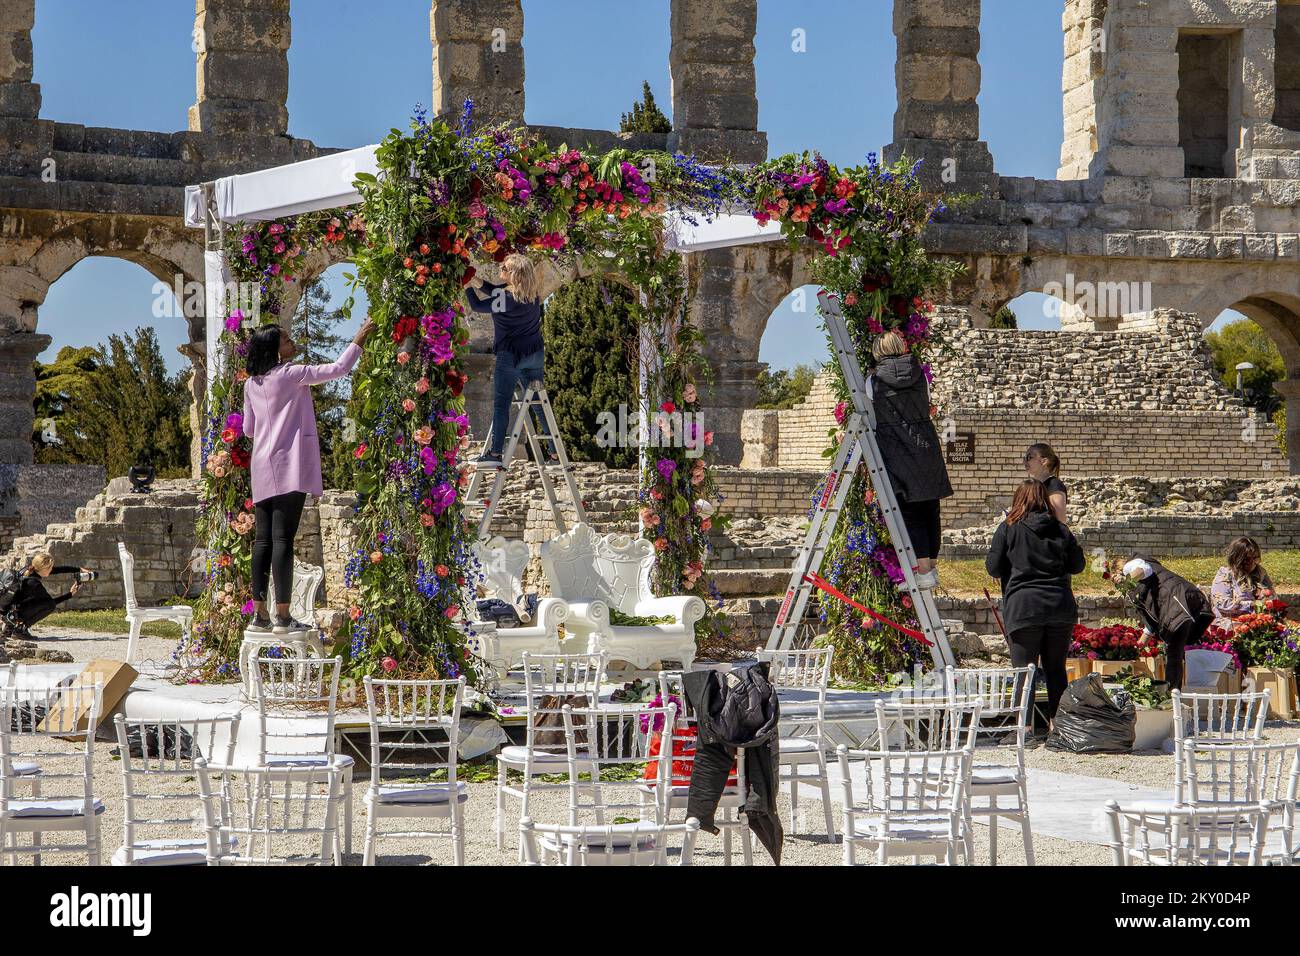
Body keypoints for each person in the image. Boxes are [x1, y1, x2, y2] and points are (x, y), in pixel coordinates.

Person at [242, 318, 375, 634]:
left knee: (262, 540)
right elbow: (338, 369)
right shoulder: (291, 374)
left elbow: (248, 429)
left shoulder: (251, 384)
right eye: (286, 340)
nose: (292, 342)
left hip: (262, 466)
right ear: (276, 350)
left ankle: (259, 614)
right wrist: (359, 337)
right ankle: (284, 616)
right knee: (283, 539)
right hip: (289, 466)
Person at [985, 480, 1086, 723]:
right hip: (1059, 606)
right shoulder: (1061, 530)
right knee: (1056, 669)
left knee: (1024, 673)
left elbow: (994, 567)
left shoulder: (1008, 528)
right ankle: (1059, 726)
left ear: (1018, 500)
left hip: (1024, 607)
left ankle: (1024, 729)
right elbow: (1078, 565)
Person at [869, 330, 953, 589]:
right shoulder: (920, 375)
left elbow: (870, 413)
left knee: (910, 511)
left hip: (898, 451)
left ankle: (924, 572)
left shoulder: (872, 381)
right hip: (926, 447)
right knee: (931, 509)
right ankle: (932, 569)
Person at [465, 253, 547, 467]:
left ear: (515, 274)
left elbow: (477, 305)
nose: (501, 267)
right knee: (538, 403)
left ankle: (495, 453)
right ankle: (555, 452)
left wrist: (466, 286)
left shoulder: (506, 299)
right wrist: (476, 281)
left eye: (505, 267)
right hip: (534, 354)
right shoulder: (531, 296)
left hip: (511, 356)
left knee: (502, 403)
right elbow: (495, 292)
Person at [1123, 556, 1214, 692]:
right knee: (1175, 653)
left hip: (1178, 607)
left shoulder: (1130, 565)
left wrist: (1126, 580)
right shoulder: (1145, 583)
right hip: (1187, 602)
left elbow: (1144, 569)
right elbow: (1151, 625)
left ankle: (1172, 698)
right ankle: (1174, 696)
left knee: (1174, 654)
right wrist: (1136, 649)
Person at [1, 553, 92, 638]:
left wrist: (78, 569)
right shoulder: (34, 583)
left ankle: (9, 626)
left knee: (35, 601)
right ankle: (20, 629)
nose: (52, 569)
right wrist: (70, 594)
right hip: (15, 612)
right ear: (44, 569)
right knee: (50, 605)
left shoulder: (28, 570)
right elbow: (51, 602)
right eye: (50, 568)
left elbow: (57, 570)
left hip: (8, 610)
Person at [1210, 536, 1275, 627]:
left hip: (1257, 624)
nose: (1252, 563)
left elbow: (1273, 598)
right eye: (1247, 559)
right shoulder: (1225, 574)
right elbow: (1222, 604)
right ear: (1236, 559)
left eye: (1255, 558)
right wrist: (1252, 604)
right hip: (1230, 625)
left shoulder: (1260, 573)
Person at [1023, 442, 1068, 524]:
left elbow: (1060, 520)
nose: (1025, 461)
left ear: (1043, 461)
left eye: (1029, 457)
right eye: (1024, 458)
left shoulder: (1054, 485)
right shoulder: (1033, 486)